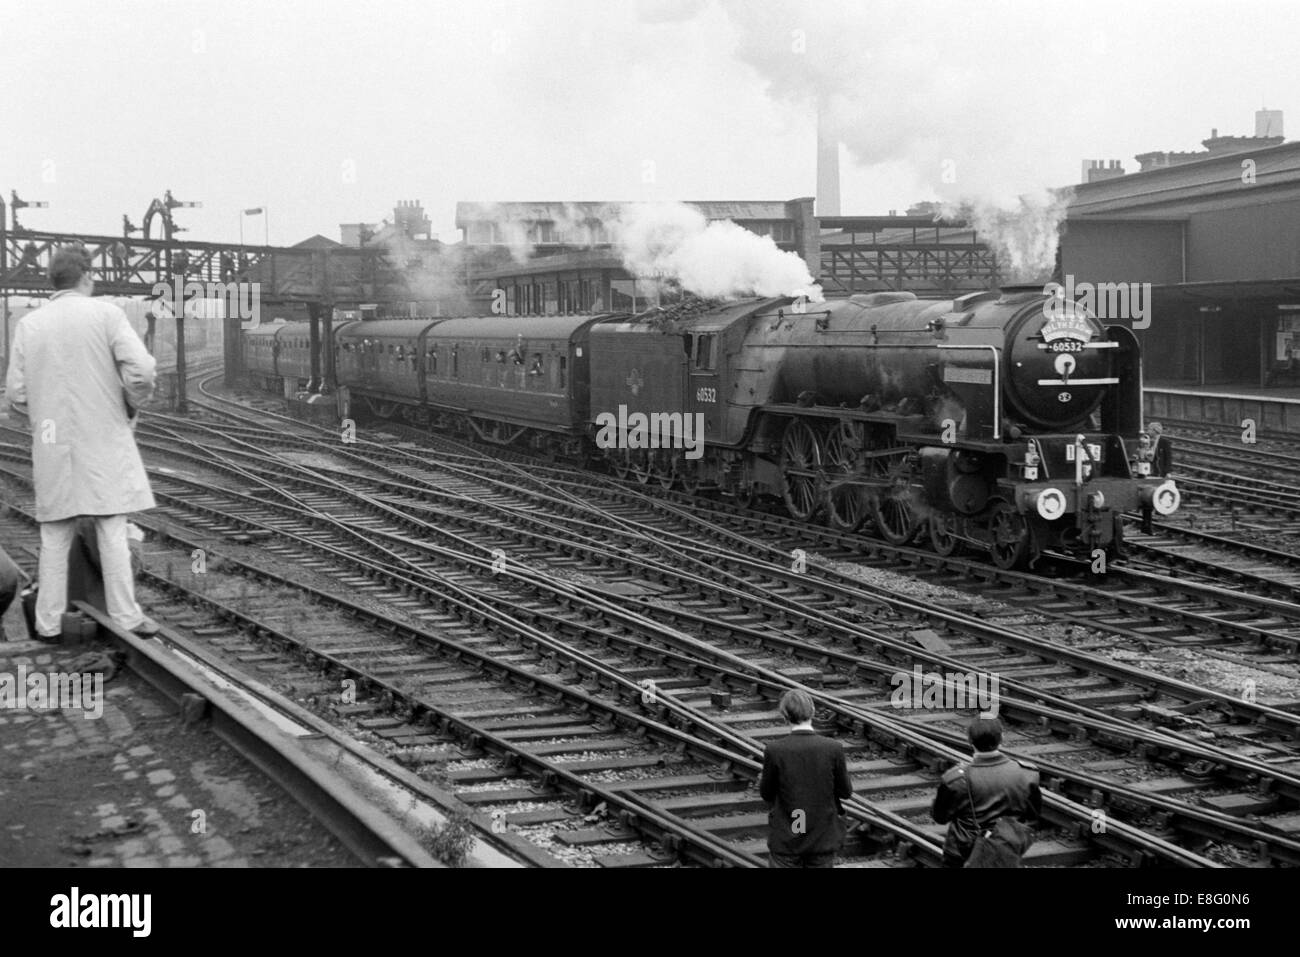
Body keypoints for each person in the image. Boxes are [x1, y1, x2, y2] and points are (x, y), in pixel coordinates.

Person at [4, 246, 159, 640]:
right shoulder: (107, 315)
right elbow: (141, 370)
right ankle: (126, 617)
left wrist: (44, 416)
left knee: (54, 533)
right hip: (103, 435)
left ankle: (49, 624)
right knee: (111, 525)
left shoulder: (29, 325)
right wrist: (128, 402)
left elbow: (16, 394)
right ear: (87, 275)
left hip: (51, 439)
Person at [759, 689, 854, 867]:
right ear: (813, 711)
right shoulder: (832, 748)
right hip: (822, 839)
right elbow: (845, 792)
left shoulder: (775, 750)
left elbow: (766, 794)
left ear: (784, 715)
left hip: (787, 839)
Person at [931, 716, 1041, 867]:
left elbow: (940, 817)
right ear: (1002, 737)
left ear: (969, 740)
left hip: (963, 854)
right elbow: (1032, 819)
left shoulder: (955, 780)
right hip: (1006, 851)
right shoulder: (1027, 774)